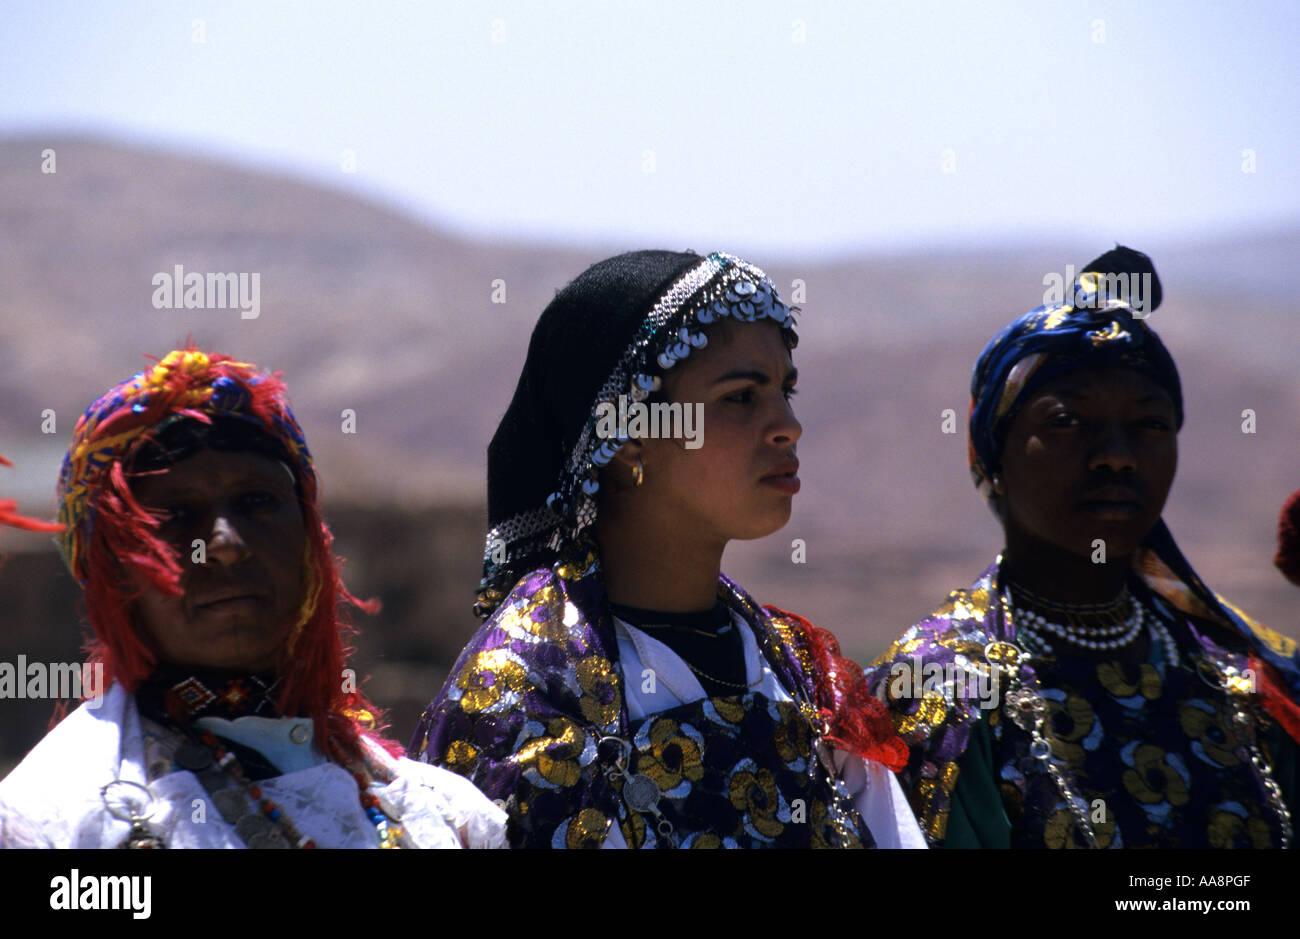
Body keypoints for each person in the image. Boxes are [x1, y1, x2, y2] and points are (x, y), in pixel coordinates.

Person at [410, 250, 924, 849]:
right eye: (740, 397)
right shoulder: (527, 695)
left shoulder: (803, 674)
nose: (788, 424)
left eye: (786, 390)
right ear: (629, 438)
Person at [868, 246, 1300, 848]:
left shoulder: (1254, 679)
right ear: (994, 457)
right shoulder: (944, 688)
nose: (1116, 455)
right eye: (1068, 422)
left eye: (1149, 424)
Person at [0, 348, 506, 848]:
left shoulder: (445, 815)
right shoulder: (56, 820)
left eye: (257, 502)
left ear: (311, 539)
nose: (225, 546)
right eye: (175, 515)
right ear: (112, 571)